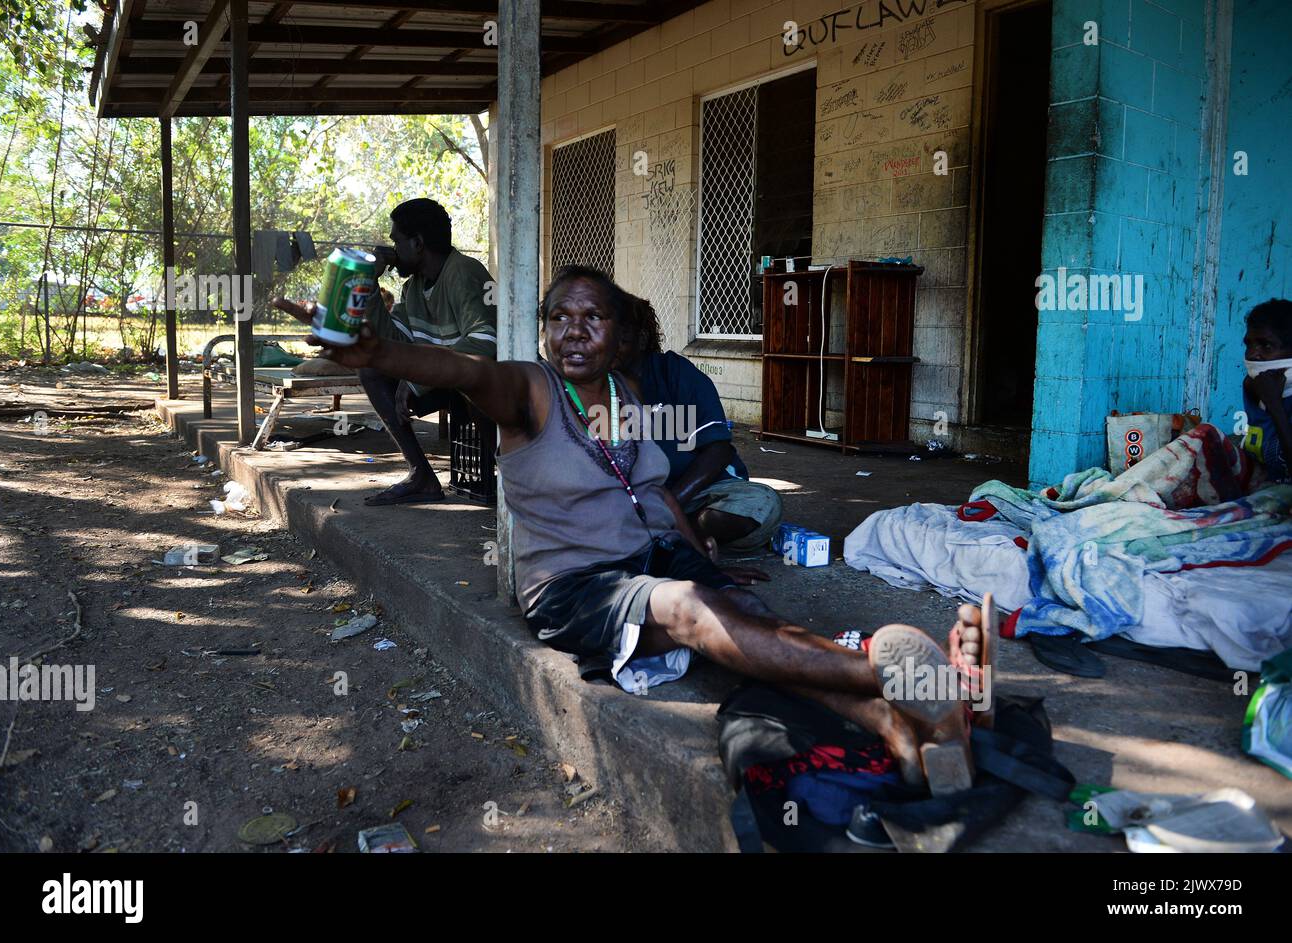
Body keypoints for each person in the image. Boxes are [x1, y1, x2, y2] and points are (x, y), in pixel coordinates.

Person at [273, 265, 988, 796]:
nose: (574, 331)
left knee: (747, 624)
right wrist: (381, 356)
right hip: (574, 588)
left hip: (646, 555)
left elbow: (645, 487)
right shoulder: (526, 389)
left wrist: (704, 552)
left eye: (594, 318)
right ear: (544, 326)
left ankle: (895, 724)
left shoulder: (627, 393)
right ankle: (897, 675)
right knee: (692, 611)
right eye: (560, 317)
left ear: (620, 334)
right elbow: (461, 369)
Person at [617, 294, 783, 554]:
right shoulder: (593, 386)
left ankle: (674, 536)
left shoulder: (676, 373)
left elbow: (719, 449)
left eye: (620, 335)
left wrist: (669, 505)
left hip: (699, 496)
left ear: (642, 337)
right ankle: (670, 541)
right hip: (633, 502)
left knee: (761, 503)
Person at [359, 198, 497, 505]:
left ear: (418, 243)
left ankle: (517, 482)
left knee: (473, 388)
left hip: (492, 385)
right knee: (371, 370)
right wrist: (368, 280)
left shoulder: (464, 273)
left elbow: (486, 343)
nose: (393, 252)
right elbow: (391, 346)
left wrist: (416, 380)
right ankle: (420, 475)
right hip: (449, 382)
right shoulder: (413, 288)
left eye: (396, 241)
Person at [1241, 298, 1292, 483]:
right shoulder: (1254, 385)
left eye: (1266, 346)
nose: (1253, 354)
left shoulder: (1267, 392)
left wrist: (1274, 405)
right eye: (1249, 345)